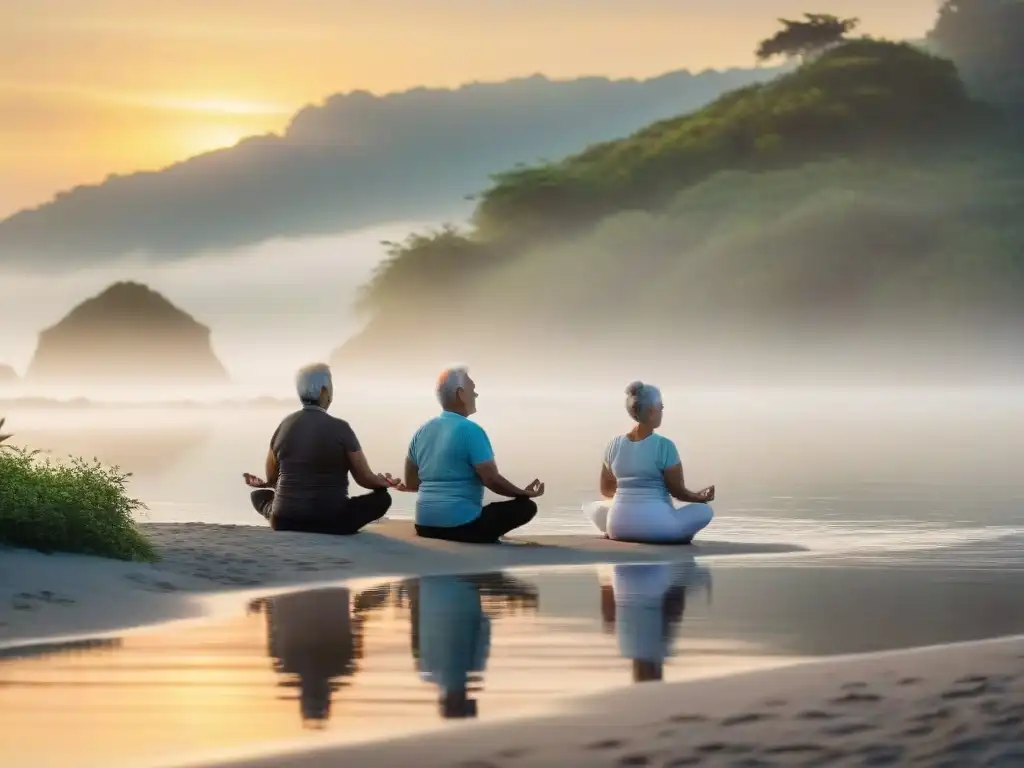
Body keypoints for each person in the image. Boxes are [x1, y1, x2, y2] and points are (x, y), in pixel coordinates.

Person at [243, 362, 397, 534]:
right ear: (324, 390)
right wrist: (384, 483)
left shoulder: (284, 426)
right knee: (382, 498)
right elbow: (364, 478)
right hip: (331, 521)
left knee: (257, 496)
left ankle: (283, 514)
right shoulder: (341, 428)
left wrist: (263, 484)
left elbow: (273, 480)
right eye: (331, 384)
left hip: (284, 521)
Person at [396, 366, 543, 543]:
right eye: (472, 389)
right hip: (461, 528)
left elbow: (412, 483)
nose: (476, 395)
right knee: (525, 507)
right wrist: (524, 493)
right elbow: (491, 480)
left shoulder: (421, 432)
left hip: (424, 526)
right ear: (460, 394)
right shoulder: (471, 430)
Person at [582, 381, 714, 544]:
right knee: (704, 510)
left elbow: (606, 490)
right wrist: (700, 497)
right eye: (661, 408)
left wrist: (630, 494)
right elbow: (678, 492)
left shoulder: (613, 445)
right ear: (651, 412)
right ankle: (678, 535)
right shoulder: (664, 446)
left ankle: (622, 527)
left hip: (617, 527)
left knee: (595, 506)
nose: (662, 412)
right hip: (658, 528)